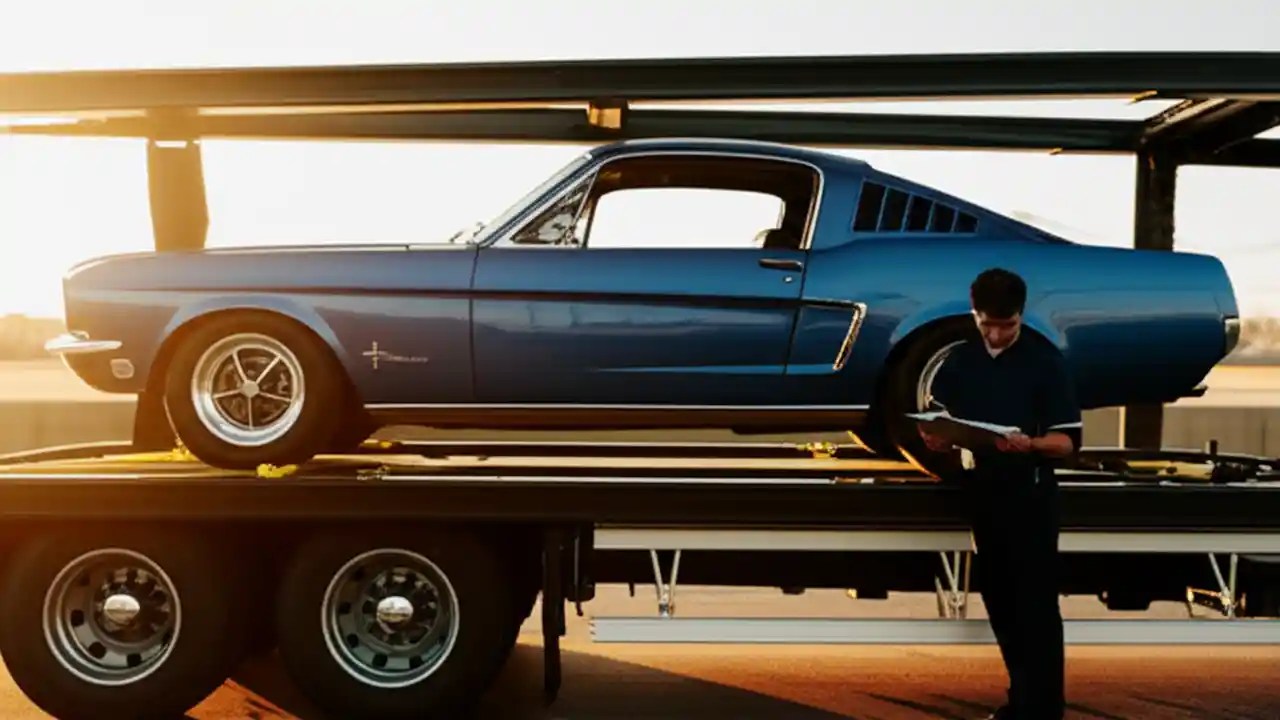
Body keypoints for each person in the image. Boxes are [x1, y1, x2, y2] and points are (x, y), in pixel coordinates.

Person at [918, 267, 1082, 720]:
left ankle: (1044, 709)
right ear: (974, 313)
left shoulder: (1044, 361)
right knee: (1000, 602)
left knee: (1035, 606)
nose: (995, 334)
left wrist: (1030, 444)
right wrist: (938, 438)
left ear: (1021, 316)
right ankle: (1022, 702)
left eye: (1005, 326)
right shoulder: (960, 360)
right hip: (983, 493)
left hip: (1030, 495)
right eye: (986, 324)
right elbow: (940, 420)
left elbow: (1067, 442)